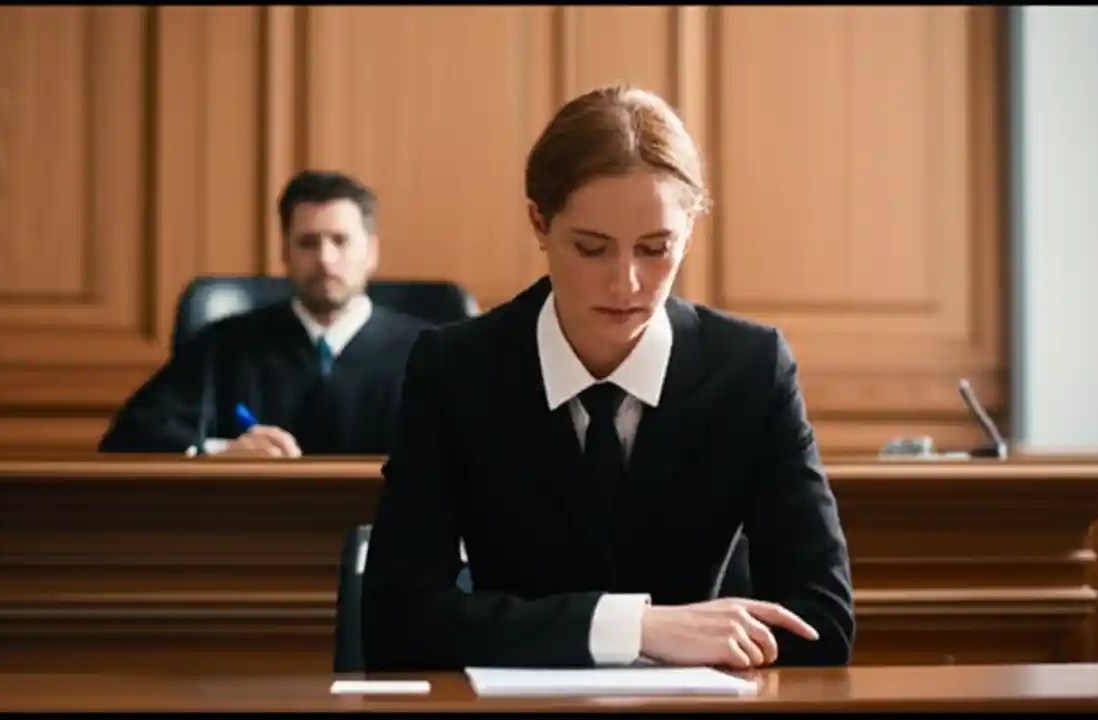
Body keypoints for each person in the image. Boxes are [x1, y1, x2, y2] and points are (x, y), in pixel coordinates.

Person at [361, 85, 855, 671]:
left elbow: (822, 622)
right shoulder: (455, 368)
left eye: (655, 248)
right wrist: (634, 628)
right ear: (538, 223)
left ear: (690, 231)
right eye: (592, 249)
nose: (626, 284)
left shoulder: (751, 368)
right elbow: (397, 619)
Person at [99, 171, 430, 457]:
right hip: (253, 526)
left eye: (340, 241)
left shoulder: (430, 353)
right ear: (285, 252)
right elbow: (130, 436)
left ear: (371, 251)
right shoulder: (225, 345)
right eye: (308, 243)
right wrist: (219, 451)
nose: (325, 259)